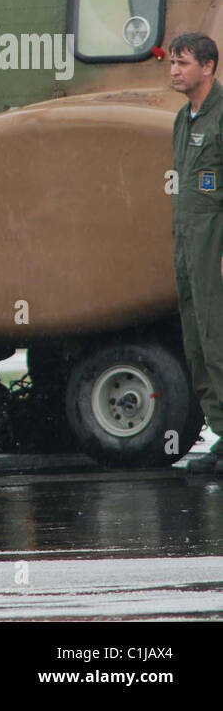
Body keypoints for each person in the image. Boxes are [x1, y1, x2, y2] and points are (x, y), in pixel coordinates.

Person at [169, 33, 223, 474]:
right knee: (196, 337)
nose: (174, 70)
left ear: (207, 67)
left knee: (218, 334)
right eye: (171, 62)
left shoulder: (222, 117)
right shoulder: (182, 120)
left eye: (183, 63)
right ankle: (221, 431)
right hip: (188, 242)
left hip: (214, 243)